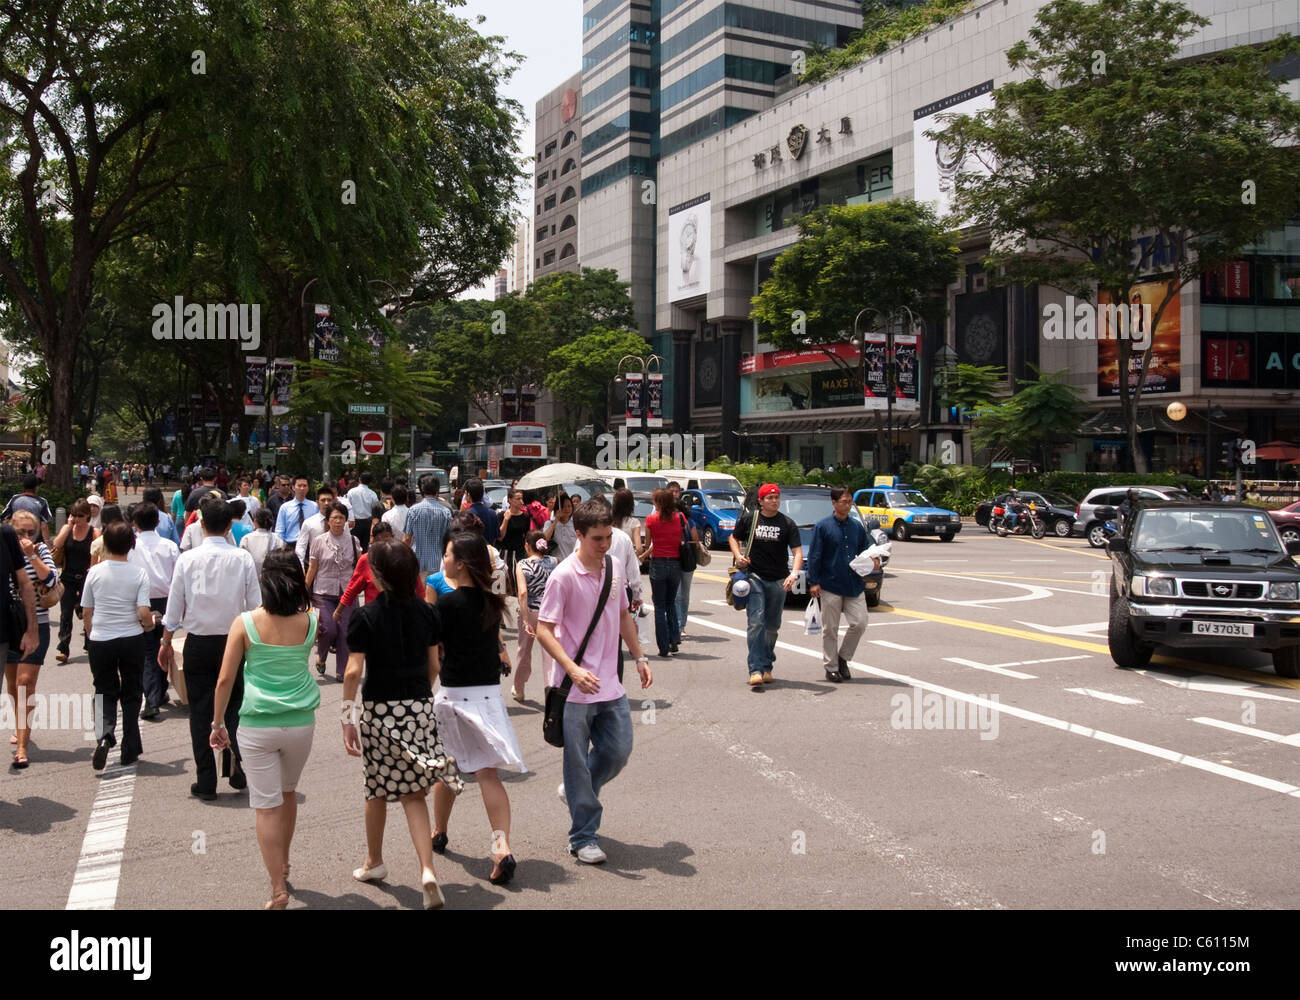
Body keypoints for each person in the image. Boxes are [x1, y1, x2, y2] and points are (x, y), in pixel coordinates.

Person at [343, 541, 463, 909]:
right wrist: (418, 699)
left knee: (376, 789)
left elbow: (352, 671)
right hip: (419, 706)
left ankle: (374, 862)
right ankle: (427, 869)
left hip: (379, 710)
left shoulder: (365, 617)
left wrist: (348, 717)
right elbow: (435, 667)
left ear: (376, 575)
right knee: (414, 794)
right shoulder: (427, 613)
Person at [536, 500, 652, 864]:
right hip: (574, 687)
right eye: (597, 539)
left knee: (619, 751)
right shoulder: (564, 575)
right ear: (580, 536)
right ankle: (582, 836)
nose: (604, 545)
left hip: (609, 681)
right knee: (576, 763)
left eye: (608, 538)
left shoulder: (614, 567)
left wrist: (640, 657)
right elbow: (543, 629)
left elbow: (622, 615)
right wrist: (571, 668)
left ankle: (577, 790)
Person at [210, 550, 321, 910]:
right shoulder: (311, 621)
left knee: (265, 806)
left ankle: (277, 887)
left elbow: (226, 678)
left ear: (266, 581)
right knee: (288, 794)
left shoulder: (245, 622)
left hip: (257, 725)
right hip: (301, 722)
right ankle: (285, 863)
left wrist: (217, 723)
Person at [429, 531, 524, 886]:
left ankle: (439, 831)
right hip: (488, 697)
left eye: (448, 555)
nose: (444, 561)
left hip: (454, 696)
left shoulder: (445, 606)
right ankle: (501, 847)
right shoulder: (491, 601)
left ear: (461, 563)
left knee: (447, 769)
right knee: (488, 775)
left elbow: (434, 653)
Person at [160, 497, 262, 800]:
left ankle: (206, 781)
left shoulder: (187, 560)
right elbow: (255, 606)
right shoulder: (241, 558)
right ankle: (235, 763)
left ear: (200, 524)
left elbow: (173, 608)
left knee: (201, 711)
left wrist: (165, 642)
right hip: (235, 641)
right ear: (230, 525)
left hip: (198, 644)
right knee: (235, 707)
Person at [80, 522, 152, 771]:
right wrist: (150, 623)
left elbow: (87, 611)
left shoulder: (94, 573)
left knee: (103, 689)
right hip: (131, 638)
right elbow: (143, 610)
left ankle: (105, 735)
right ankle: (129, 747)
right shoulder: (138, 573)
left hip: (101, 638)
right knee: (132, 692)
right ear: (131, 546)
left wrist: (91, 636)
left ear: (106, 545)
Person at [728, 483, 802, 688]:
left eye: (777, 497)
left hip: (779, 579)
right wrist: (739, 556)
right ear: (760, 501)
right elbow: (733, 537)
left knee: (772, 626)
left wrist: (794, 574)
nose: (774, 501)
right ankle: (755, 669)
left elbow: (797, 552)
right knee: (756, 622)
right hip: (755, 577)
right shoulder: (750, 520)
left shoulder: (787, 523)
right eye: (769, 498)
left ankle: (767, 665)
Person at [4, 511, 57, 766]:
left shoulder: (39, 550)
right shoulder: (4, 550)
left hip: (38, 623)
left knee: (26, 683)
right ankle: (19, 723)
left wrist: (32, 554)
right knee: (13, 685)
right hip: (10, 625)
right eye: (19, 532)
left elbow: (51, 578)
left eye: (29, 532)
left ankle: (23, 748)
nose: (25, 537)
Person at [806, 487, 875, 684]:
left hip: (854, 583)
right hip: (830, 584)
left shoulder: (856, 526)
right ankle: (831, 667)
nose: (847, 505)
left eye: (850, 501)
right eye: (844, 501)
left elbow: (866, 550)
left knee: (860, 623)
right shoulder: (823, 526)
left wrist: (874, 560)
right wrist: (814, 581)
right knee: (831, 629)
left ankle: (843, 657)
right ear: (834, 502)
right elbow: (815, 556)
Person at [127, 502, 180, 719]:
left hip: (142, 602)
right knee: (163, 645)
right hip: (167, 601)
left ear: (134, 523)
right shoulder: (169, 546)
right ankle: (159, 690)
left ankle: (152, 699)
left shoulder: (131, 547)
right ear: (158, 522)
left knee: (149, 650)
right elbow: (178, 578)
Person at [305, 502, 360, 680]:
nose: (337, 521)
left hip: (347, 593)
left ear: (346, 520)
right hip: (323, 592)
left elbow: (359, 568)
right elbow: (312, 568)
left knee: (345, 631)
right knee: (328, 629)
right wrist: (304, 591)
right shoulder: (319, 542)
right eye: (334, 517)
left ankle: (342, 671)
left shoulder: (354, 541)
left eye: (341, 518)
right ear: (328, 521)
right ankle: (321, 656)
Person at [512, 530, 556, 703]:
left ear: (527, 546)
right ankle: (551, 690)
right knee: (550, 654)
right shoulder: (554, 562)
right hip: (550, 613)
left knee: (523, 651)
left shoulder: (522, 564)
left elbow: (522, 593)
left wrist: (524, 619)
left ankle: (519, 688)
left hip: (530, 611)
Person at [52, 499, 97, 663]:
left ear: (88, 516)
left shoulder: (95, 533)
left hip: (87, 578)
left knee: (87, 612)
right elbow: (56, 544)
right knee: (65, 613)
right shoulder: (68, 528)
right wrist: (69, 526)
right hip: (68, 578)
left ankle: (89, 643)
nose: (77, 519)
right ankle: (63, 648)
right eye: (74, 515)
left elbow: (97, 557)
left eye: (80, 516)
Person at [643, 488, 685, 658]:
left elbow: (648, 544)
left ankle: (663, 646)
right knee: (670, 602)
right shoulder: (680, 518)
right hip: (675, 563)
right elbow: (683, 537)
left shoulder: (651, 519)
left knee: (659, 606)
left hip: (658, 562)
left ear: (658, 503)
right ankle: (674, 639)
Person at [403, 473, 452, 577]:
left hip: (417, 561)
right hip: (438, 562)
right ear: (437, 490)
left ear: (422, 490)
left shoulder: (413, 510)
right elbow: (449, 539)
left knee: (419, 591)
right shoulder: (445, 512)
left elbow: (407, 539)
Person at [2, 475, 53, 542]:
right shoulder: (42, 502)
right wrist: (48, 543)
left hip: (16, 539)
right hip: (34, 540)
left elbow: (5, 519)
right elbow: (44, 526)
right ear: (36, 487)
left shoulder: (15, 499)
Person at [498, 489, 529, 599]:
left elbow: (527, 536)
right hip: (506, 553)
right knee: (505, 584)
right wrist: (506, 520)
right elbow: (500, 537)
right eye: (518, 499)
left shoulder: (525, 516)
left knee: (519, 583)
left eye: (522, 498)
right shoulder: (502, 515)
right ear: (510, 500)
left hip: (520, 553)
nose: (521, 501)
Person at [274, 475, 318, 549]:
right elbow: (279, 530)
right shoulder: (285, 508)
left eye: (304, 486)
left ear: (308, 488)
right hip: (291, 544)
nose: (302, 488)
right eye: (299, 486)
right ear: (293, 487)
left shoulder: (314, 506)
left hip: (310, 545)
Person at [241, 506, 286, 574]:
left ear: (255, 521)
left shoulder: (246, 539)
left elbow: (243, 563)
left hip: (253, 578)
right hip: (273, 579)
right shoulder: (278, 539)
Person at [346, 472, 379, 553]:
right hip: (368, 523)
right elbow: (376, 508)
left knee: (353, 546)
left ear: (359, 479)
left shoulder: (351, 492)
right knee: (365, 547)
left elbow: (347, 506)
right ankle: (363, 564)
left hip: (354, 522)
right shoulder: (373, 494)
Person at [611, 488, 645, 561]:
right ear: (631, 504)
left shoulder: (608, 521)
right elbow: (639, 549)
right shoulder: (634, 522)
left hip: (609, 561)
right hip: (625, 563)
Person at [463, 478, 500, 545]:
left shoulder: (467, 515)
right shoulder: (492, 513)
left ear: (468, 495)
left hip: (472, 553)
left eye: (465, 494)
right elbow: (496, 537)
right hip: (489, 552)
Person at [543, 492, 576, 560]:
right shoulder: (549, 523)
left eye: (569, 506)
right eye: (563, 507)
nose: (567, 509)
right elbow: (545, 538)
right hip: (556, 565)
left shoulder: (576, 524)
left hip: (572, 564)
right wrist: (556, 520)